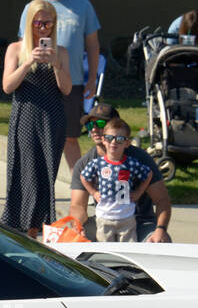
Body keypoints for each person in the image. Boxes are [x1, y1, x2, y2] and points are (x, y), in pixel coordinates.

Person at [18, 0, 101, 172]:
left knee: (70, 138)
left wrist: (91, 78)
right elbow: (22, 44)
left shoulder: (82, 6)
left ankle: (81, 186)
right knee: (37, 138)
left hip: (70, 81)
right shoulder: (32, 7)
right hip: (38, 83)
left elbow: (92, 45)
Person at [0, 0, 71, 235]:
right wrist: (28, 61)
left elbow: (67, 89)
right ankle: (21, 227)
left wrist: (57, 65)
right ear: (30, 22)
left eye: (48, 24)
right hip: (26, 118)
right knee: (25, 172)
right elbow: (7, 86)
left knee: (46, 175)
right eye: (39, 23)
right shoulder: (15, 49)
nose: (43, 28)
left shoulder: (60, 52)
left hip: (52, 119)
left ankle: (39, 229)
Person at [69, 103, 173, 243]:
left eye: (100, 123)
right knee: (74, 240)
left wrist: (160, 229)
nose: (94, 129)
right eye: (89, 125)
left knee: (160, 243)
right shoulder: (85, 163)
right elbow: (77, 206)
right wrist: (77, 227)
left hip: (140, 222)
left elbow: (162, 200)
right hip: (104, 221)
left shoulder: (139, 159)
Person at [78, 118, 154, 243]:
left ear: (127, 143)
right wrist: (93, 192)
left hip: (127, 218)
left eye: (119, 139)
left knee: (128, 250)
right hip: (104, 218)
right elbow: (84, 177)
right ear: (103, 140)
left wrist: (139, 192)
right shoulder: (98, 163)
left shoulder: (131, 163)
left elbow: (148, 174)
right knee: (106, 251)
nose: (114, 142)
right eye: (109, 138)